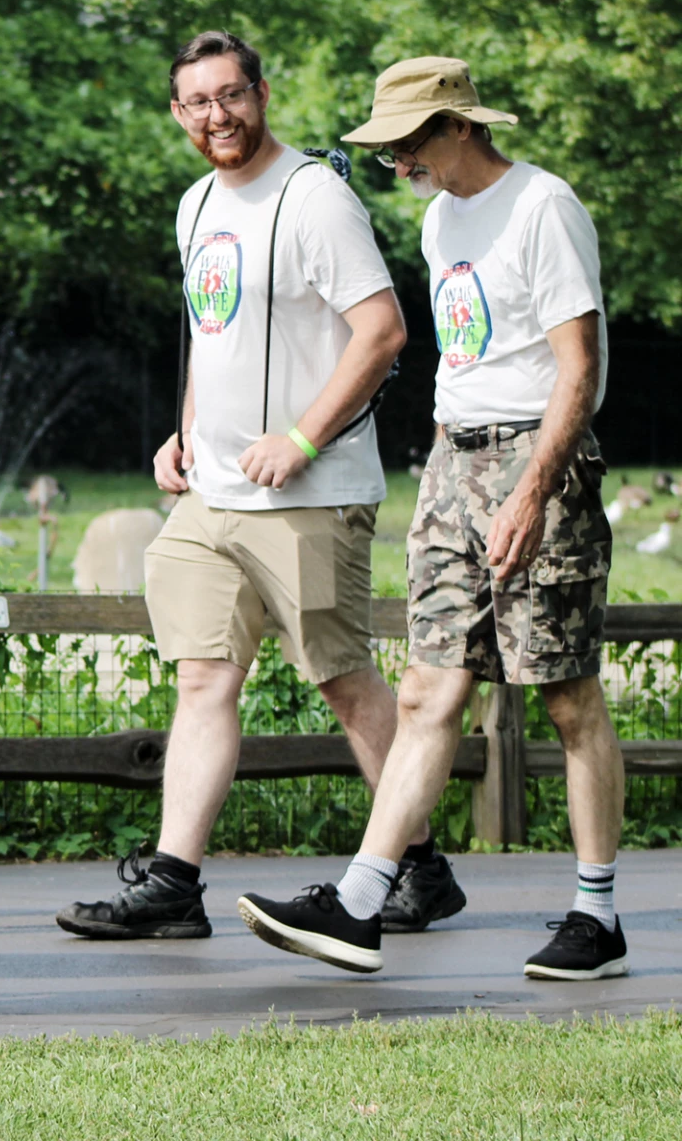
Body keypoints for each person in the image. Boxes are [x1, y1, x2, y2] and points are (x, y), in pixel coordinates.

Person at [57, 31, 465, 942]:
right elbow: (215, 336)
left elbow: (381, 332)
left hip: (310, 495)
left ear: (262, 93)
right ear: (177, 114)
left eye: (231, 96)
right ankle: (172, 886)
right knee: (204, 678)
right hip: (214, 496)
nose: (217, 116)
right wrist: (188, 431)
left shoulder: (313, 199)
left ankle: (420, 867)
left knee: (346, 682)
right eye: (197, 103)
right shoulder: (196, 204)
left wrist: (303, 437)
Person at [239, 57, 623, 979]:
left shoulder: (543, 207)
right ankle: (363, 901)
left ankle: (597, 916)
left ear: (457, 125)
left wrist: (533, 489)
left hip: (540, 459)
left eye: (407, 144)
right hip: (456, 463)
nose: (398, 163)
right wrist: (451, 474)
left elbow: (580, 366)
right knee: (427, 690)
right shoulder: (442, 216)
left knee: (566, 698)